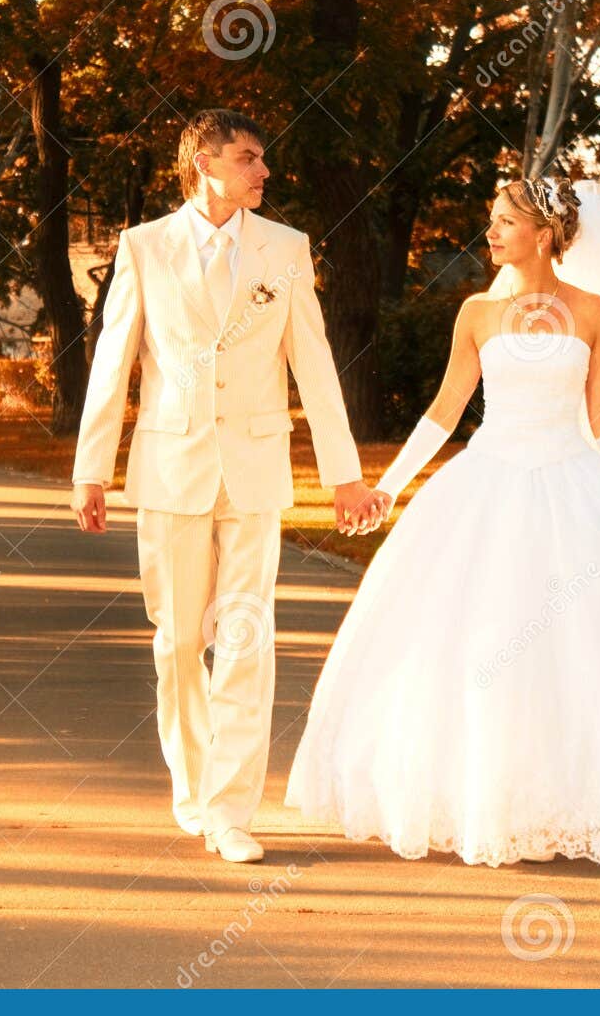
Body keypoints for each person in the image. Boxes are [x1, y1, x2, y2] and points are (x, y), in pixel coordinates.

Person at [283, 176, 600, 867]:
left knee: (583, 651)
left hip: (574, 486)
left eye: (505, 222)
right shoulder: (476, 312)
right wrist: (386, 487)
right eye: (491, 221)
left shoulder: (592, 309)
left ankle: (580, 799)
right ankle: (486, 799)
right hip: (486, 484)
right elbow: (444, 410)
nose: (492, 233)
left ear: (543, 234)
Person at [70, 108, 387, 864]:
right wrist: (92, 470)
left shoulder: (286, 248)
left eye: (262, 159)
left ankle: (231, 810)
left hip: (255, 470)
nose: (263, 172)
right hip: (170, 467)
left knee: (245, 641)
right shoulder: (144, 248)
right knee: (180, 643)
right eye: (248, 158)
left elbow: (312, 360)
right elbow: (114, 363)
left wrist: (344, 475)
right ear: (203, 164)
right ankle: (195, 787)